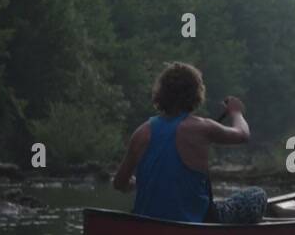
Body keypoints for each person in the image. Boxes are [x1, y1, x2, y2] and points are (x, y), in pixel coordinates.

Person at [112, 62, 267, 224]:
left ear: (161, 93)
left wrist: (138, 183)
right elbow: (242, 134)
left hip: (147, 225)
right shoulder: (202, 127)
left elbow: (119, 183)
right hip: (195, 224)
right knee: (257, 195)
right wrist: (236, 112)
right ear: (196, 94)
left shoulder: (141, 133)